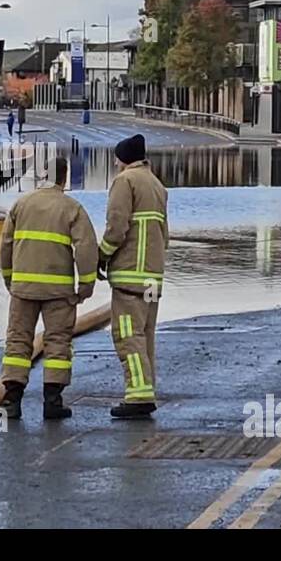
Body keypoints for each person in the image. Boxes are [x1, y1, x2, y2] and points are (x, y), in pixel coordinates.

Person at [0, 156, 99, 420]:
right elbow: (86, 248)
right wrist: (86, 285)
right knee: (57, 343)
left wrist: (10, 279)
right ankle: (52, 402)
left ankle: (11, 402)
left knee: (18, 341)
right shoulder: (72, 208)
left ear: (43, 174)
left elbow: (5, 244)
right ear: (64, 178)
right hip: (59, 292)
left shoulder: (21, 204)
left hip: (23, 289)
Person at [98, 133, 169, 420]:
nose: (115, 164)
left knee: (128, 335)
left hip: (130, 276)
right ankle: (147, 390)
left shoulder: (125, 182)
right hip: (153, 277)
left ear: (124, 158)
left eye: (117, 159)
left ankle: (138, 396)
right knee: (146, 335)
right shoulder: (157, 184)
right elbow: (164, 235)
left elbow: (117, 228)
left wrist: (100, 256)